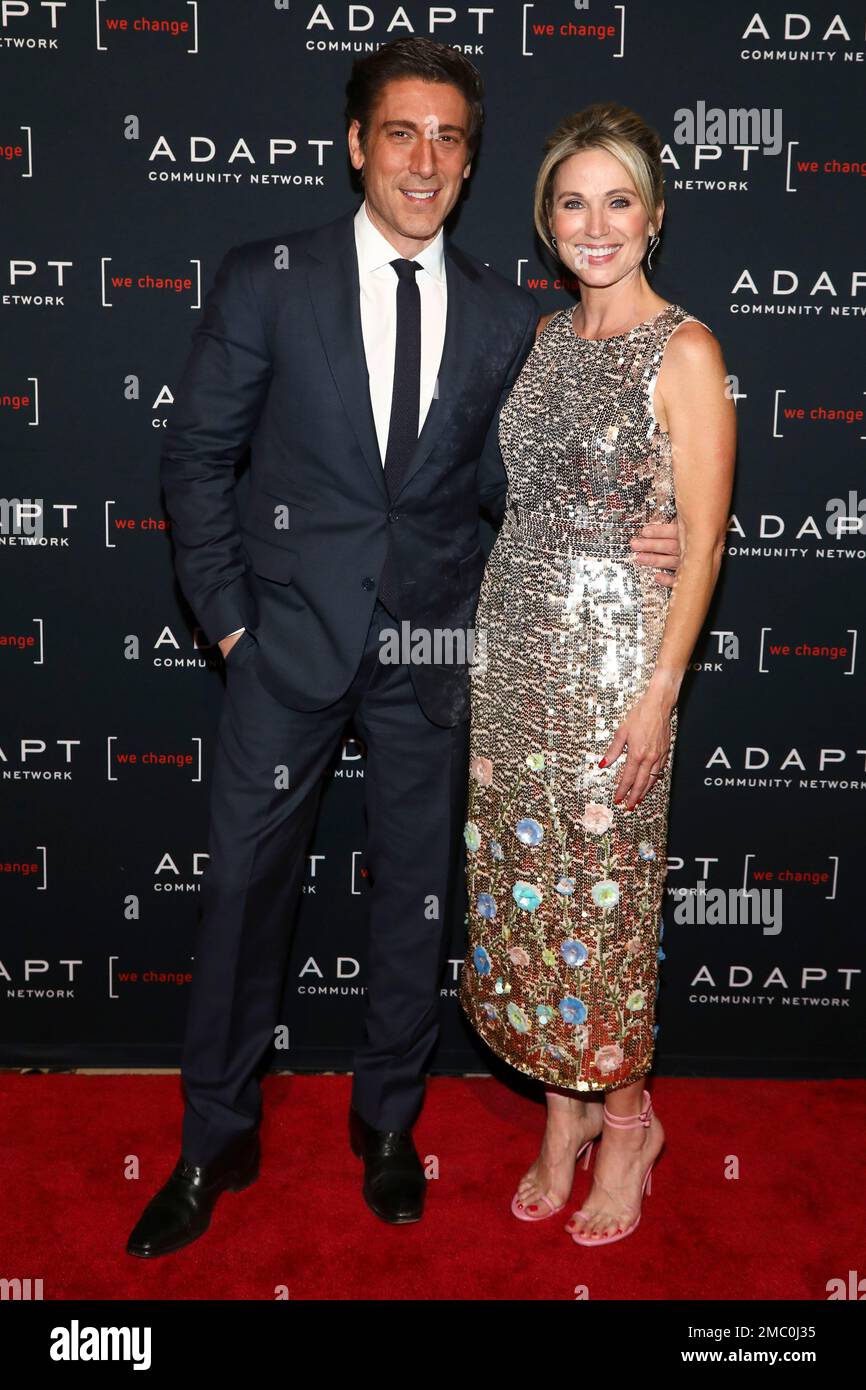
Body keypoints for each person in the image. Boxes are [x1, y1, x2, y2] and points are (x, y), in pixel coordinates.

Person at [126, 45, 682, 1258]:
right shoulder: (268, 280)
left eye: (446, 140)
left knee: (411, 908)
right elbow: (194, 464)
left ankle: (387, 1125)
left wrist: (646, 520)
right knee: (237, 900)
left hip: (431, 655)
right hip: (282, 648)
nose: (423, 160)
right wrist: (230, 624)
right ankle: (213, 1136)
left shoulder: (501, 313)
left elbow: (516, 485)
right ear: (354, 144)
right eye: (399, 134)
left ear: (470, 162)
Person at [459, 102, 736, 1246]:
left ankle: (628, 1122)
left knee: (605, 907)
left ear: (653, 216)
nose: (594, 223)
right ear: (546, 223)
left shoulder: (685, 348)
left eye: (616, 199)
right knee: (526, 903)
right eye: (571, 202)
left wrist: (658, 689)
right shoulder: (533, 341)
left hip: (616, 665)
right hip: (513, 655)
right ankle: (562, 1112)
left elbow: (704, 540)